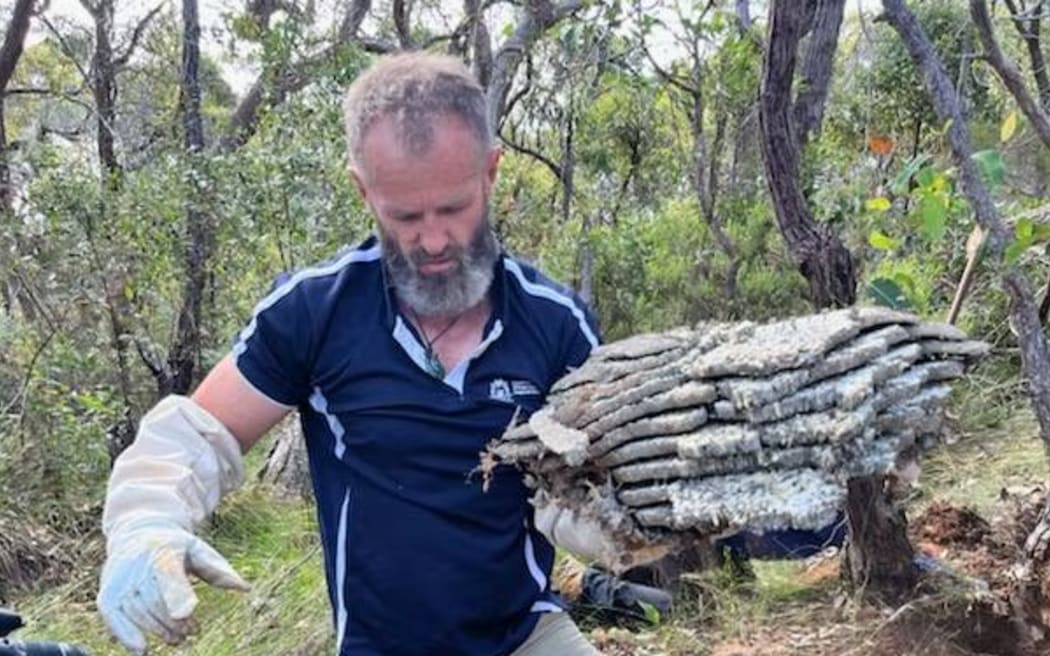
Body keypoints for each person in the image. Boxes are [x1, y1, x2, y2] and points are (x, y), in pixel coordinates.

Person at [95, 52, 613, 656]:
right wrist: (145, 523)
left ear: (491, 172)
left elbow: (601, 476)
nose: (435, 239)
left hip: (524, 633)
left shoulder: (556, 321)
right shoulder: (315, 311)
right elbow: (198, 432)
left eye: (454, 207)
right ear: (362, 190)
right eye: (405, 216)